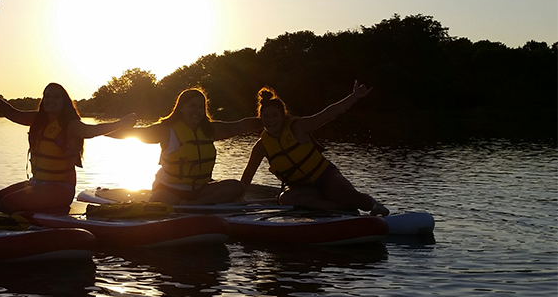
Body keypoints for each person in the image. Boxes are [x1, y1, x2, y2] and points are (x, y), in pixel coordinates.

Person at [0, 80, 137, 213]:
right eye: (47, 96)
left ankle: (5, 232)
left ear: (64, 102)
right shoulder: (37, 120)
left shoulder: (71, 125)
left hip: (61, 189)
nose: (51, 100)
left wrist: (120, 123)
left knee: (7, 203)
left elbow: (91, 131)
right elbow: (12, 113)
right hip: (36, 184)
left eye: (57, 97)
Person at [239, 82, 389, 216]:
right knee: (286, 198)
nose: (270, 120)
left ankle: (376, 206)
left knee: (349, 195)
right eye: (266, 116)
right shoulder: (261, 146)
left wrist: (354, 96)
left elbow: (328, 114)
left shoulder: (298, 127)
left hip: (325, 176)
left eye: (275, 115)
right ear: (260, 118)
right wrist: (237, 200)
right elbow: (248, 175)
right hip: (303, 188)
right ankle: (341, 209)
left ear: (283, 116)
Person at [106, 87, 263, 204]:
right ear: (181, 108)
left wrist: (268, 121)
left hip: (201, 190)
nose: (197, 111)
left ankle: (195, 204)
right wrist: (100, 130)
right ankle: (191, 204)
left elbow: (240, 126)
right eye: (192, 106)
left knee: (237, 187)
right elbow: (131, 134)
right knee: (159, 198)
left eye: (200, 107)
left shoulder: (210, 130)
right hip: (170, 190)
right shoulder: (166, 131)